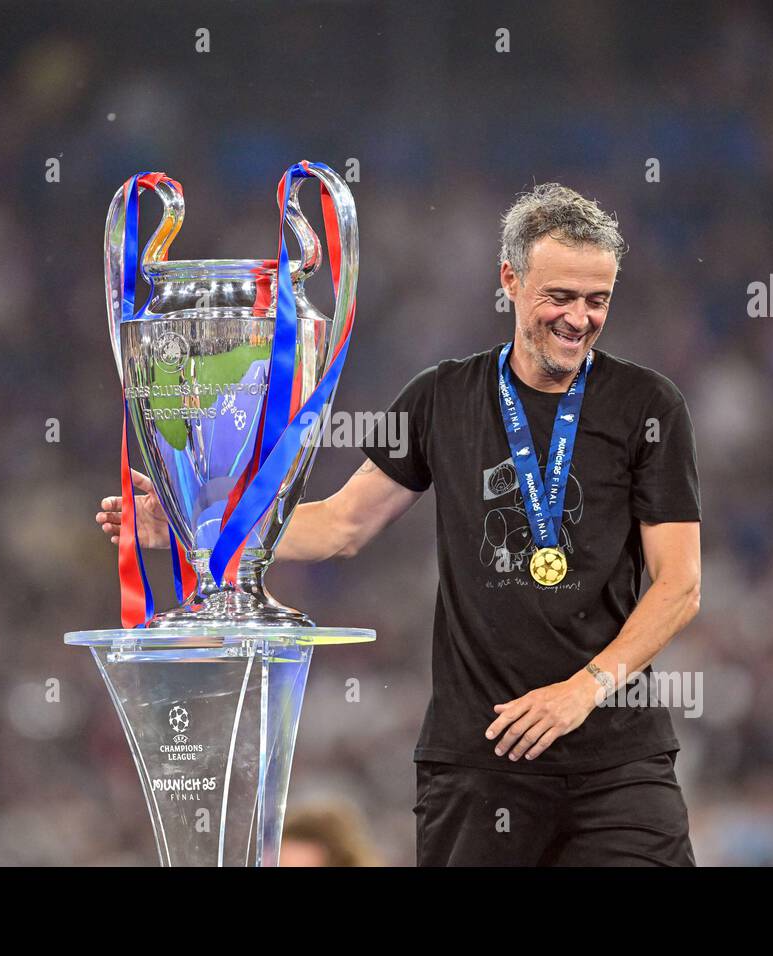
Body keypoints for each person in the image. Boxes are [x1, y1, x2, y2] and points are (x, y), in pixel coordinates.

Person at [97, 183, 701, 866]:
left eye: (598, 301)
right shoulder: (440, 397)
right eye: (559, 297)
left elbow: (678, 585)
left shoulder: (649, 406)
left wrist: (581, 690)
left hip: (617, 763)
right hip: (479, 761)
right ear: (510, 279)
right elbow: (339, 527)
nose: (579, 319)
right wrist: (192, 529)